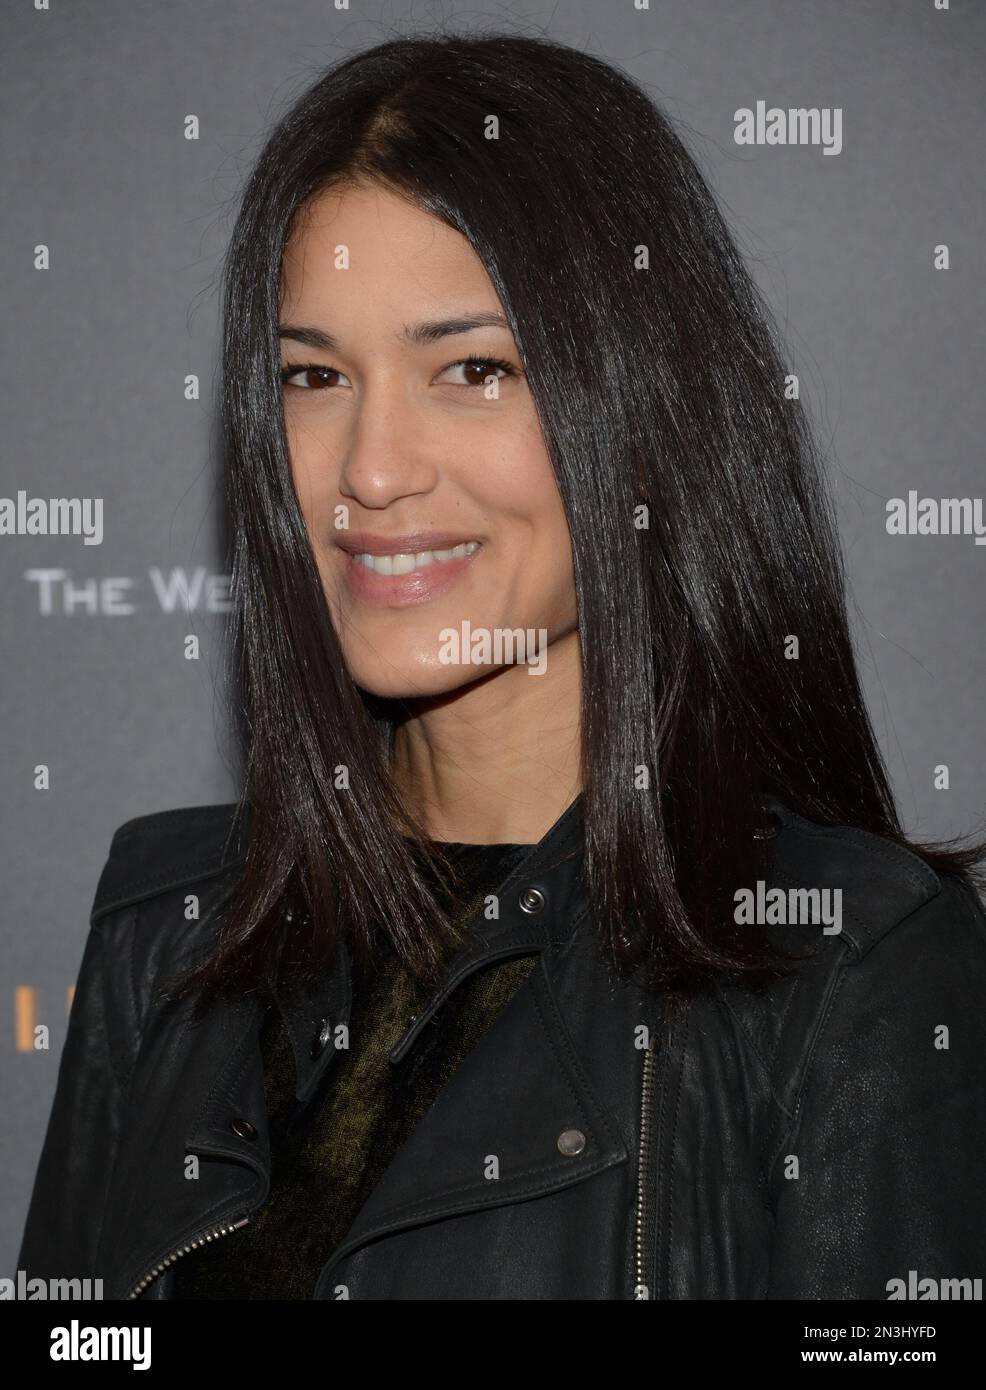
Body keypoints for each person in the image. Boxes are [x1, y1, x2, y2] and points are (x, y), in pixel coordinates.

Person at [17, 31, 986, 1301]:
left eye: (472, 370)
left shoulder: (849, 966)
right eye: (314, 375)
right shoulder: (165, 923)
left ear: (639, 427)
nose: (371, 467)